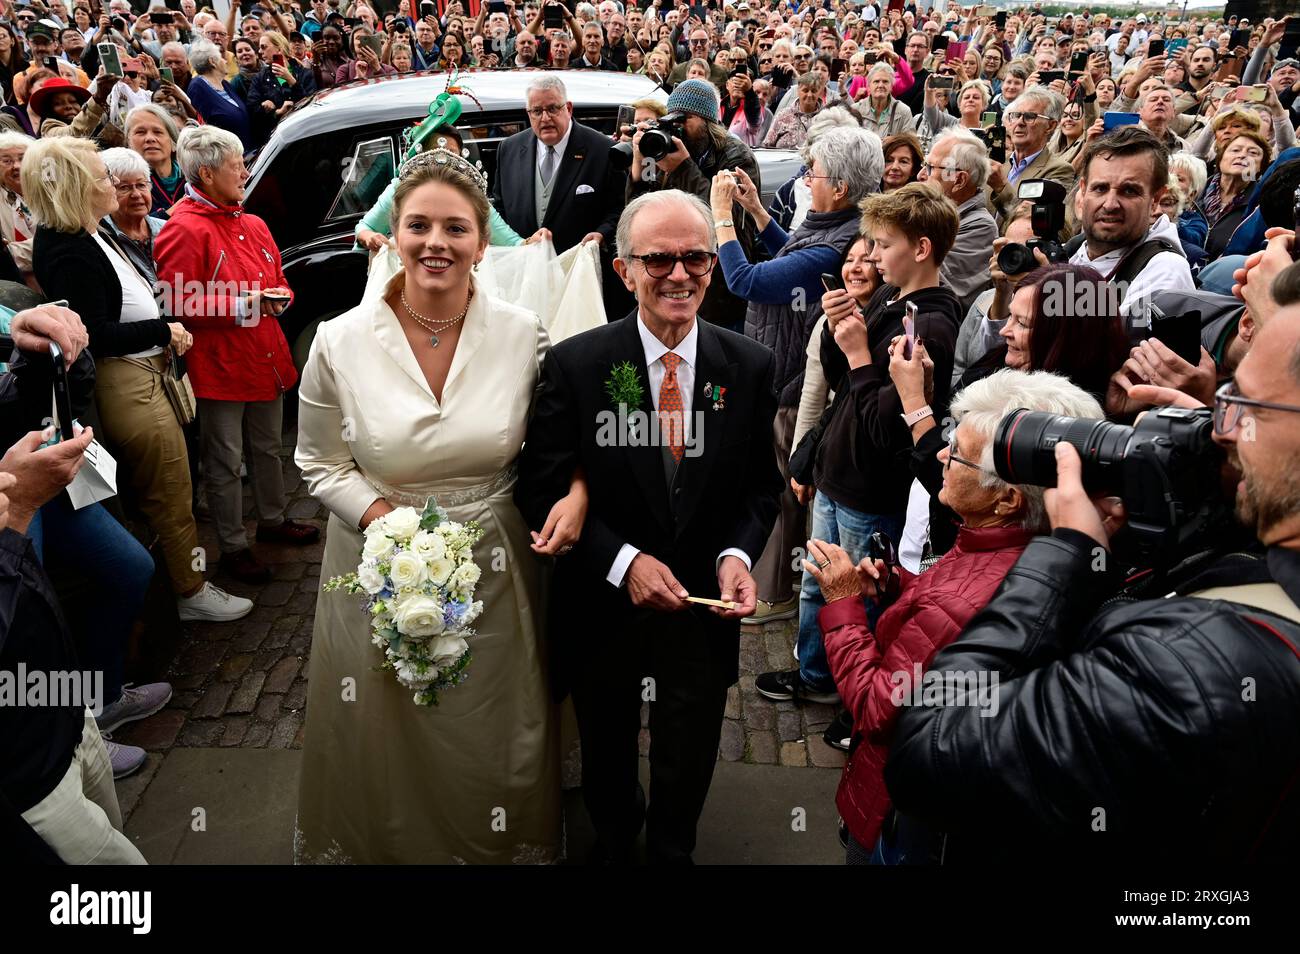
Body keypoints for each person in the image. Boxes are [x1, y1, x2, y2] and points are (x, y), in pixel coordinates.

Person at [884, 304, 1300, 862]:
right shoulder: (1258, 577)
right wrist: (1214, 490)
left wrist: (1066, 555)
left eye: (1237, 405)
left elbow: (929, 750)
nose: (1216, 430)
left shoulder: (1187, 661)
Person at [296, 147, 585, 864]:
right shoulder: (338, 341)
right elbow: (319, 460)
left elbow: (561, 443)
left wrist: (578, 492)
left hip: (496, 555)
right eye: (419, 225)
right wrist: (384, 524)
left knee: (490, 719)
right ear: (394, 232)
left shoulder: (523, 334)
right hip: (376, 557)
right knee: (385, 718)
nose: (436, 243)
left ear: (483, 243)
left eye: (456, 229)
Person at [515, 189, 782, 864]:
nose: (680, 274)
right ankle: (614, 834)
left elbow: (759, 488)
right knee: (606, 751)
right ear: (623, 269)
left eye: (695, 256)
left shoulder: (747, 367)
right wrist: (623, 562)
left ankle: (671, 849)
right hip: (602, 612)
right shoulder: (577, 366)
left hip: (700, 612)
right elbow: (541, 485)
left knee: (688, 751)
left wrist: (736, 554)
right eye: (658, 259)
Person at [809, 368, 1105, 863]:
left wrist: (842, 604)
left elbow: (878, 707)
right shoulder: (1028, 552)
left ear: (1007, 498)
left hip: (901, 821)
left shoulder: (972, 593)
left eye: (958, 454)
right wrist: (900, 587)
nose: (941, 456)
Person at [26, 136, 252, 623]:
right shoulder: (69, 249)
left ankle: (183, 582)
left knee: (174, 486)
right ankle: (190, 591)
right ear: (77, 186)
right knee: (169, 491)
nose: (112, 182)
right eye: (103, 176)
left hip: (145, 373)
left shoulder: (89, 232)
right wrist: (163, 329)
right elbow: (95, 334)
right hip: (128, 381)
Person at [759, 182, 963, 706]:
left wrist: (857, 353)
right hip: (838, 475)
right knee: (817, 583)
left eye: (883, 243)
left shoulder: (928, 324)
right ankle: (816, 675)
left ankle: (858, 697)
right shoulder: (892, 302)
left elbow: (887, 430)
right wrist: (837, 330)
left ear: (921, 249)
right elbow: (842, 390)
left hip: (870, 491)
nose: (871, 255)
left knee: (858, 595)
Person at [711, 127, 882, 623]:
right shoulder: (832, 228)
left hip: (789, 379)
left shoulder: (839, 245)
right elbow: (791, 250)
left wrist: (721, 215)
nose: (807, 179)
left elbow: (747, 281)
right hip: (784, 367)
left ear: (842, 188)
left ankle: (776, 593)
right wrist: (757, 210)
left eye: (815, 173)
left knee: (783, 489)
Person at [154, 126, 320, 585]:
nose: (245, 172)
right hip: (220, 365)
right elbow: (174, 303)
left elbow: (277, 276)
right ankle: (232, 545)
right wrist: (247, 302)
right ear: (206, 174)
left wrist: (279, 295)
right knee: (225, 461)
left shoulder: (250, 220)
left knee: (269, 447)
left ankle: (272, 518)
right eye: (236, 166)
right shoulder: (184, 228)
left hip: (262, 355)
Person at [625, 78, 761, 333]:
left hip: (717, 294)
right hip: (669, 281)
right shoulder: (666, 148)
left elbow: (727, 221)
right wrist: (638, 167)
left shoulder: (736, 156)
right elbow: (638, 215)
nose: (677, 127)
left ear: (707, 120)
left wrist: (683, 169)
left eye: (684, 119)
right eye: (672, 119)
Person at [1068, 126, 1195, 317]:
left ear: (1155, 200)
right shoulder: (1070, 250)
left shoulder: (1166, 269)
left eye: (1129, 191)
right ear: (1083, 191)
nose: (1110, 204)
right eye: (1100, 188)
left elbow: (1112, 345)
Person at [491, 75, 622, 257]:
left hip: (581, 272)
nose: (545, 118)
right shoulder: (508, 149)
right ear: (528, 113)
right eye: (537, 111)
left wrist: (602, 234)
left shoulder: (602, 150)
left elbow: (619, 208)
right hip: (524, 271)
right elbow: (499, 209)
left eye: (552, 109)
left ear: (568, 108)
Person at [917, 127, 998, 312]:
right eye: (924, 165)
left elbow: (931, 285)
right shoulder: (931, 213)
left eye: (930, 168)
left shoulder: (979, 227)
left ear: (959, 180)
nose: (920, 175)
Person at [987, 88, 1074, 220]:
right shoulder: (997, 162)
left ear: (1050, 126)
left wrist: (1001, 187)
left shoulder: (1059, 170)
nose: (1019, 122)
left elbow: (1031, 219)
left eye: (1029, 117)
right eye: (1016, 115)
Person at [1200, 129, 1271, 259]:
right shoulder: (1195, 191)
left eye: (1253, 153)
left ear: (1261, 166)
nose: (1243, 155)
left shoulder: (1261, 208)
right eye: (1235, 150)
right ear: (1220, 158)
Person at [186, 39, 252, 152]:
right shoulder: (198, 86)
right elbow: (205, 126)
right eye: (221, 57)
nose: (226, 61)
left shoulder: (225, 84)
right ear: (212, 61)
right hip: (228, 155)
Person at [0, 131, 35, 276]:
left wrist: (12, 252)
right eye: (7, 161)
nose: (16, 166)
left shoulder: (52, 192)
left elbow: (60, 242)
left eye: (23, 158)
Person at [761, 71, 825, 149]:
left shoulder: (826, 117)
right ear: (798, 91)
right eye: (805, 90)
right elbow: (767, 146)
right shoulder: (783, 115)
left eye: (814, 91)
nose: (809, 95)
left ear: (819, 92)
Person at [855, 61, 913, 139]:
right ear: (868, 86)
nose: (880, 85)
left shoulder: (904, 111)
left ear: (892, 86)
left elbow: (909, 144)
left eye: (885, 81)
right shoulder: (856, 110)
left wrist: (892, 143)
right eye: (876, 81)